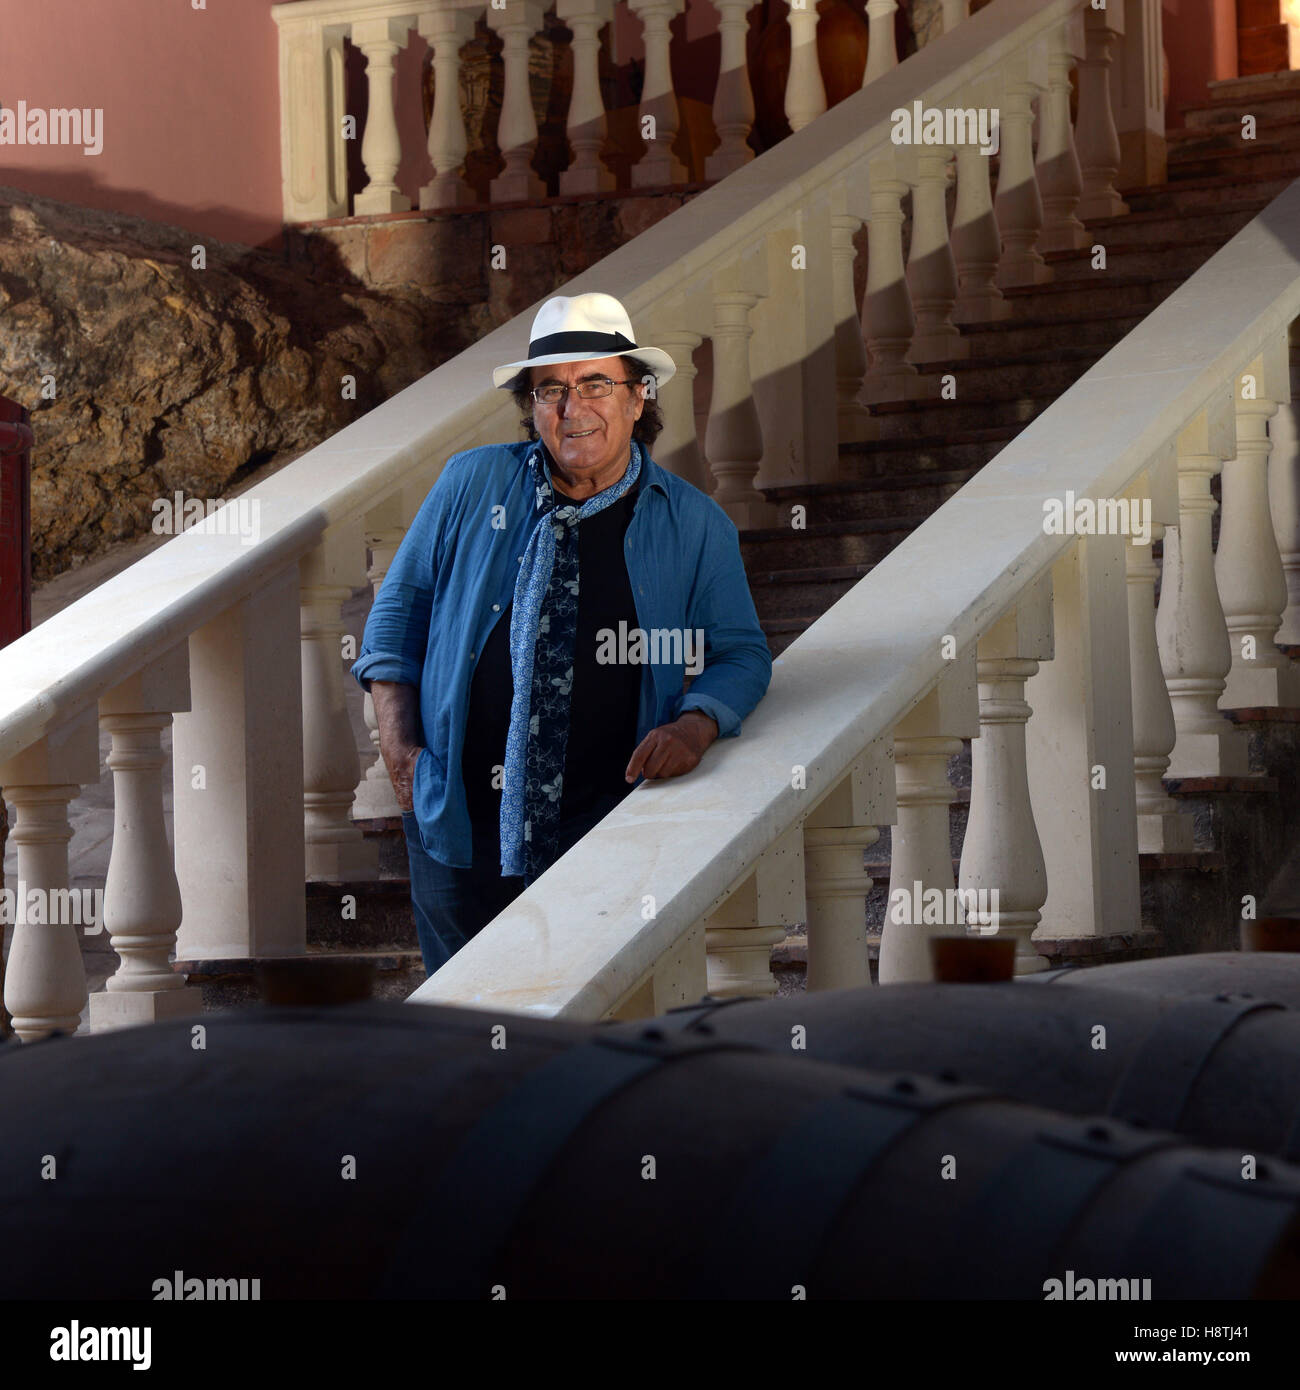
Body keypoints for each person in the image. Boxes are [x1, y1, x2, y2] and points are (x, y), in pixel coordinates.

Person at [352, 292, 772, 976]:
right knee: (465, 1026)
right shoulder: (471, 482)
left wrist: (696, 727)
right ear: (533, 407)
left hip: (604, 827)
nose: (572, 408)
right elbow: (398, 617)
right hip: (456, 821)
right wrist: (402, 754)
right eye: (551, 389)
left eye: (596, 384)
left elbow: (741, 655)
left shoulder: (694, 525)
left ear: (639, 398)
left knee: (582, 1027)